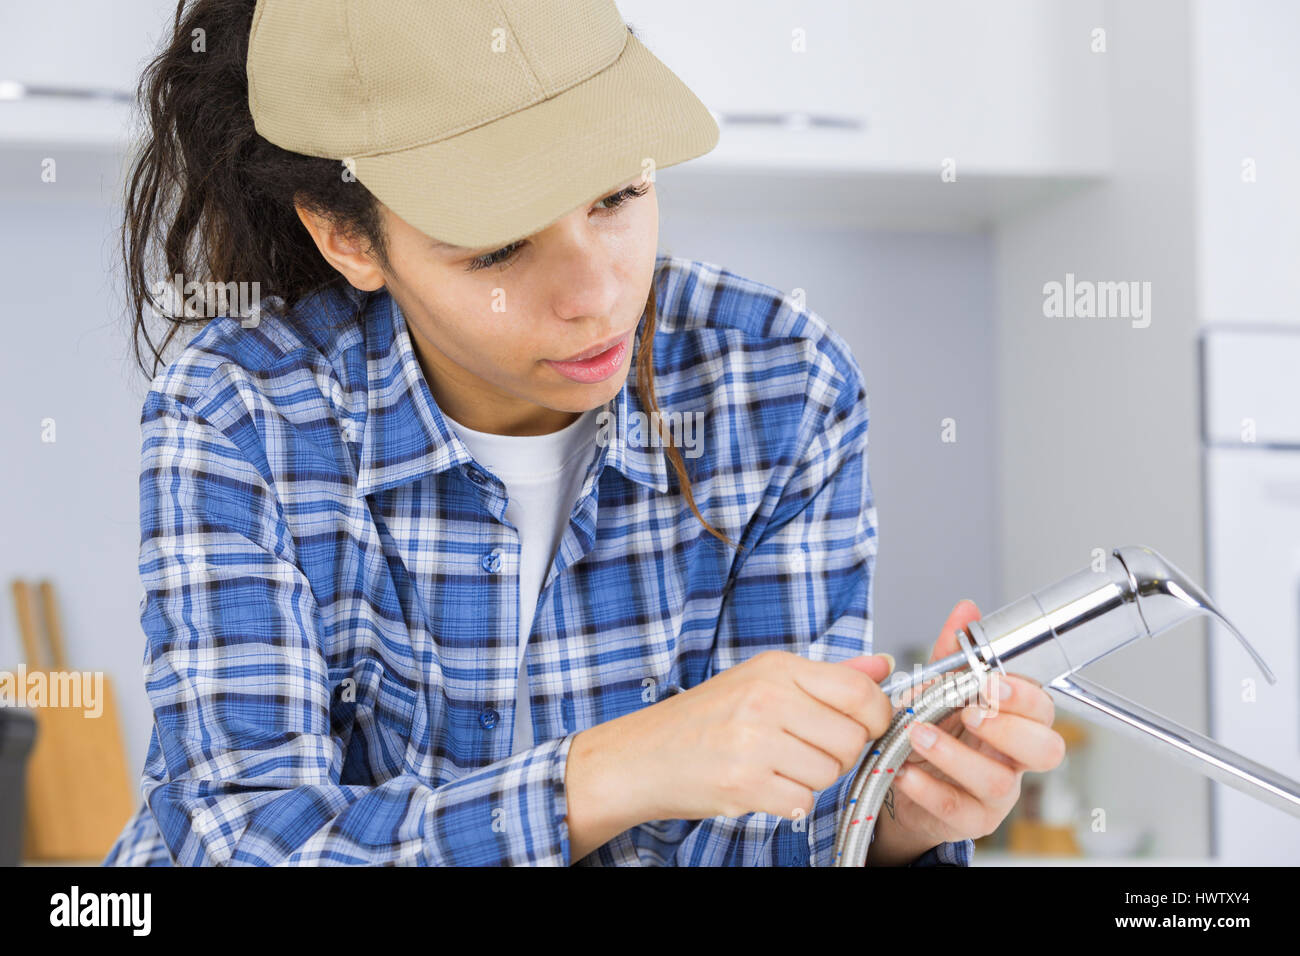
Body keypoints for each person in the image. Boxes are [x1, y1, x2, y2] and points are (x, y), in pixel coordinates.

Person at [104, 0, 1064, 866]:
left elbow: (760, 841)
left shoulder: (779, 386)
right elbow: (239, 847)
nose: (598, 296)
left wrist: (895, 818)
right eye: (496, 247)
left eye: (617, 197)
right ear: (348, 238)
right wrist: (614, 772)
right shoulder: (242, 414)